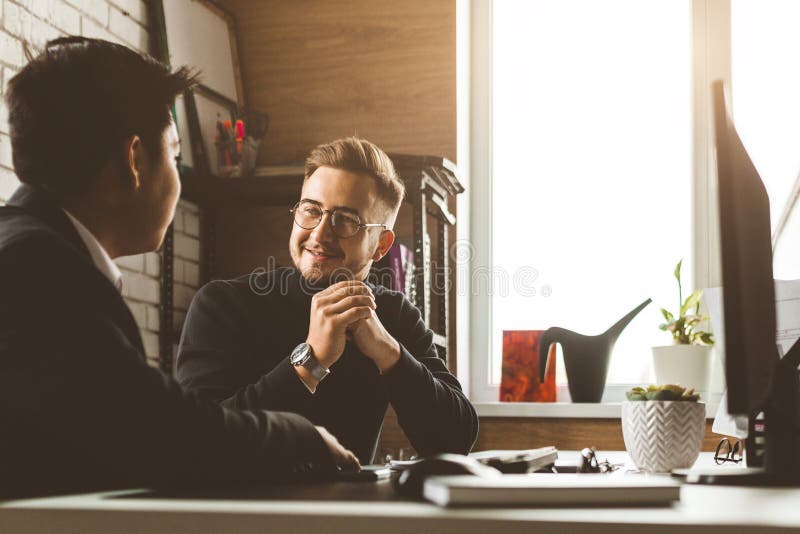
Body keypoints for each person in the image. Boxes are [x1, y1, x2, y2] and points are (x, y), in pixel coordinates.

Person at [0, 37, 357, 499]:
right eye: (174, 154)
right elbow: (161, 433)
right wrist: (303, 437)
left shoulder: (30, 250)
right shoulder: (39, 270)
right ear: (134, 161)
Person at [177, 137, 478, 463]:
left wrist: (389, 353)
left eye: (346, 219)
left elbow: (456, 440)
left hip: (349, 512)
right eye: (311, 210)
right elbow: (197, 444)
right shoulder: (222, 304)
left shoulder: (393, 315)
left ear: (381, 244)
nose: (320, 234)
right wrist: (310, 362)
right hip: (244, 512)